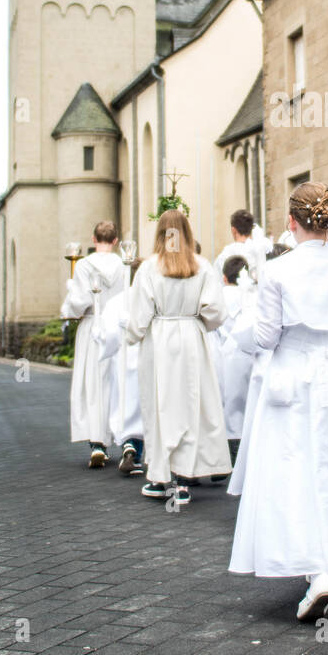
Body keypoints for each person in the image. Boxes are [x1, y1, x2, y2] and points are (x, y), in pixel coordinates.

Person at [229, 183, 328, 621]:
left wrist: (238, 334)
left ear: (291, 223)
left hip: (291, 380)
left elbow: (264, 336)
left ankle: (316, 570)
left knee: (294, 470)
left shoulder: (278, 271)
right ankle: (325, 563)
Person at [126, 210, 230, 503]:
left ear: (160, 234)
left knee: (160, 406)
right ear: (187, 232)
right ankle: (185, 479)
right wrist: (197, 321)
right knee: (191, 405)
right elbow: (217, 312)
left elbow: (139, 315)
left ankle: (161, 477)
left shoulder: (148, 268)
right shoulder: (201, 265)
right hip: (190, 339)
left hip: (160, 339)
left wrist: (132, 336)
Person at [61, 221, 125, 468]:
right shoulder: (123, 265)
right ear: (116, 240)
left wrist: (69, 300)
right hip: (116, 329)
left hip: (92, 327)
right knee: (115, 383)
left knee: (92, 383)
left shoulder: (85, 265)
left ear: (93, 238)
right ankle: (121, 438)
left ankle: (97, 443)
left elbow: (79, 302)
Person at [92, 257, 146, 476]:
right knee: (143, 407)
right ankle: (139, 450)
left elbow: (110, 336)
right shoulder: (148, 299)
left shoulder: (116, 302)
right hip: (145, 357)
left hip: (123, 360)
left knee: (124, 402)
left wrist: (99, 335)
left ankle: (128, 443)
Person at [211, 254, 257, 459]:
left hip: (220, 351)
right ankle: (242, 439)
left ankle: (226, 441)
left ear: (224, 277)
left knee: (222, 398)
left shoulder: (218, 295)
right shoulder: (249, 294)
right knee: (244, 398)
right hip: (245, 351)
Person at [214, 210, 271, 283]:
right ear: (251, 228)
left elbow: (217, 282)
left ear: (233, 230)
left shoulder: (225, 254)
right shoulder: (263, 249)